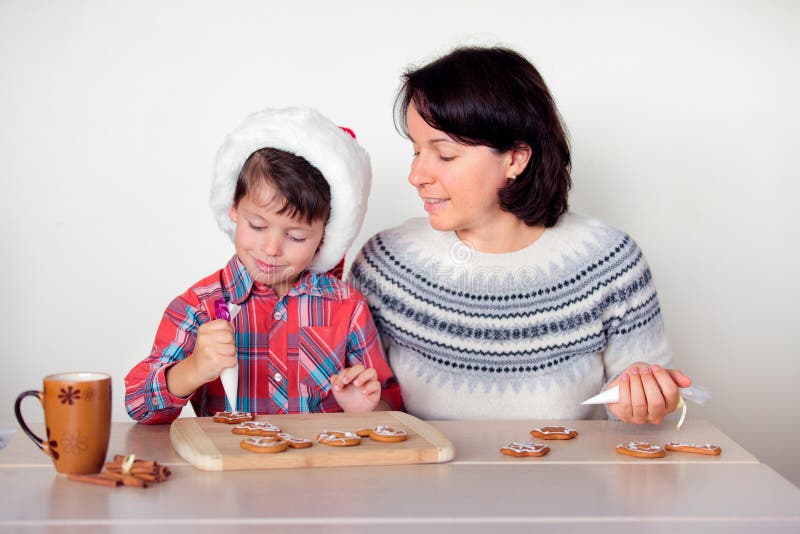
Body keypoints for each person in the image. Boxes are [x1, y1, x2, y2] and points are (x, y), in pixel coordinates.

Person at [349, 46, 690, 424]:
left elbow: (652, 421)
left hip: (570, 483)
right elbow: (365, 415)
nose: (417, 176)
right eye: (415, 151)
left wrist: (645, 402)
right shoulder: (386, 264)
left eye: (444, 156)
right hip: (422, 482)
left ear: (515, 159)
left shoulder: (610, 263)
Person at [126, 107, 401, 424]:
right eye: (257, 226)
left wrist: (365, 409)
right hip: (228, 470)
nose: (271, 249)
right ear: (234, 208)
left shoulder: (346, 307)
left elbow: (392, 409)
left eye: (296, 236)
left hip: (320, 471)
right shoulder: (199, 306)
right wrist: (194, 369)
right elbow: (139, 406)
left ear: (325, 237)